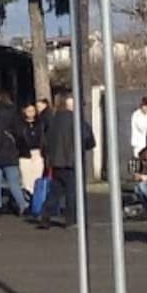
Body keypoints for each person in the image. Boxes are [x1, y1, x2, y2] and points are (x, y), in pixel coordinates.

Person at [37, 90, 93, 229]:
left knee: (55, 191)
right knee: (71, 192)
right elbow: (88, 140)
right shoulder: (76, 120)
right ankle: (71, 219)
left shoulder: (53, 120)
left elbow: (45, 141)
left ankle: (45, 215)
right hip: (72, 161)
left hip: (56, 161)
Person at [17, 102, 47, 217]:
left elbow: (43, 139)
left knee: (37, 179)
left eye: (33, 111)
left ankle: (36, 204)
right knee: (26, 180)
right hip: (25, 155)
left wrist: (42, 151)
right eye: (29, 111)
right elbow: (19, 140)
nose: (31, 113)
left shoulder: (40, 124)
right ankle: (27, 203)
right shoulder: (20, 125)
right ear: (24, 111)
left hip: (37, 153)